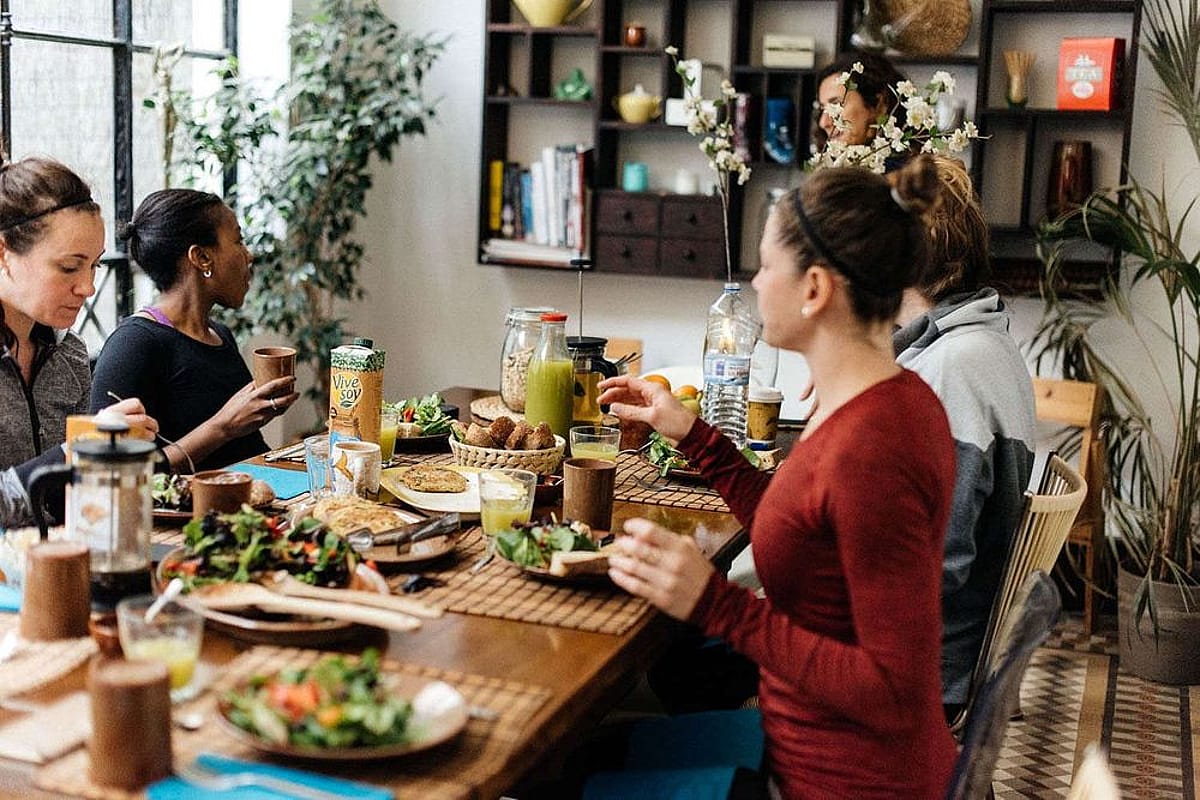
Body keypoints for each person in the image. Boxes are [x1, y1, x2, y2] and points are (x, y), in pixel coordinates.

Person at [596, 155, 957, 798]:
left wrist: (713, 604)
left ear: (815, 289)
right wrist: (694, 434)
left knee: (559, 773)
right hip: (794, 747)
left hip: (831, 781)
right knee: (582, 752)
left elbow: (894, 690)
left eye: (766, 266)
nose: (756, 283)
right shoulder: (885, 400)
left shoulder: (872, 448)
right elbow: (801, 526)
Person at [894, 155, 1036, 718]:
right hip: (950, 648)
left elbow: (938, 566)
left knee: (695, 641)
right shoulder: (980, 341)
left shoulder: (955, 367)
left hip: (926, 665)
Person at [90, 189, 297, 472]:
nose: (248, 256)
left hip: (249, 506)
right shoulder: (133, 344)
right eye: (238, 241)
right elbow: (113, 471)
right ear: (201, 257)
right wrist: (223, 426)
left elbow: (246, 451)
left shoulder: (220, 335)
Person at [0, 156, 156, 526]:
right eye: (69, 267)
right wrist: (79, 451)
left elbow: (81, 501)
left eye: (94, 266)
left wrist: (114, 455)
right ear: (3, 254)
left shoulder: (68, 352)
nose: (87, 287)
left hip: (61, 563)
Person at [813, 51, 908, 152]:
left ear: (879, 107)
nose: (823, 123)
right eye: (822, 108)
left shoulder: (913, 166)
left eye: (836, 104)